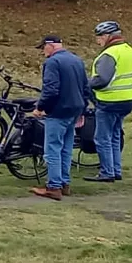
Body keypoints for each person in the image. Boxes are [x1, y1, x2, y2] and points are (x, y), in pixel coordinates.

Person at [31, 35, 91, 201]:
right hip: (74, 110)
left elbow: (51, 90)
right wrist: (82, 107)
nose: (43, 52)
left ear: (49, 46)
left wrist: (41, 108)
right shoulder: (76, 60)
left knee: (52, 150)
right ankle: (64, 183)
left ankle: (53, 187)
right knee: (66, 148)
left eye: (43, 48)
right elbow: (86, 88)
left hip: (59, 111)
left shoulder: (52, 63)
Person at [88, 20, 132, 182]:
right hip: (128, 100)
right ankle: (116, 170)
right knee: (115, 135)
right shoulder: (129, 50)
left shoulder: (109, 55)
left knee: (102, 138)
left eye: (99, 36)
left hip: (109, 101)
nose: (97, 40)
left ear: (108, 36)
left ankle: (107, 172)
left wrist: (86, 84)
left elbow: (102, 79)